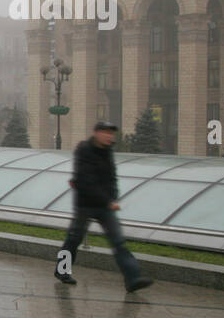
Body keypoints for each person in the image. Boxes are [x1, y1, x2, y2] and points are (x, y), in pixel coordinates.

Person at [55, 120, 153, 293]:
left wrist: (113, 195)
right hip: (85, 204)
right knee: (74, 239)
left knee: (118, 241)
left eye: (111, 133)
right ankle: (62, 271)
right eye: (106, 133)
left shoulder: (108, 151)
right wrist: (107, 201)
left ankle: (133, 278)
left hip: (105, 206)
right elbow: (86, 181)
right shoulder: (84, 150)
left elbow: (111, 177)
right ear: (96, 133)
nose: (110, 136)